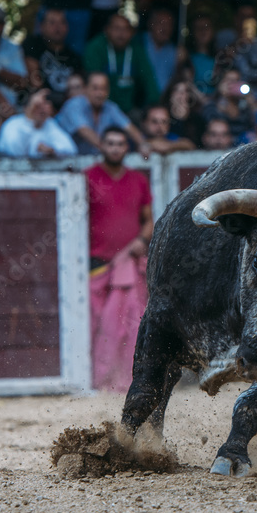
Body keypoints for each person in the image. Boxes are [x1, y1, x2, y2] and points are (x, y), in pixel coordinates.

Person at [86, 126, 154, 391]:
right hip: (96, 266)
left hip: (129, 264)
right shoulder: (88, 177)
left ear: (127, 148)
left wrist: (141, 240)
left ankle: (125, 383)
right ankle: (99, 381)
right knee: (101, 326)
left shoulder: (138, 180)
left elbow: (148, 220)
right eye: (110, 143)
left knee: (130, 327)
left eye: (120, 144)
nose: (115, 148)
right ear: (101, 146)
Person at [84, 13, 159, 114]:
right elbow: (92, 83)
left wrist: (153, 106)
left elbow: (149, 79)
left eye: (126, 29)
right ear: (107, 30)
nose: (121, 33)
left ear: (132, 33)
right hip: (101, 109)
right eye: (116, 28)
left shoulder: (136, 49)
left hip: (129, 110)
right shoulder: (95, 47)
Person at [57, 71, 148, 155]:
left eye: (103, 88)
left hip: (92, 160)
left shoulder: (110, 107)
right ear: (86, 89)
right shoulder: (74, 105)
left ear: (108, 91)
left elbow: (129, 128)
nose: (99, 93)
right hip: (65, 162)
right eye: (95, 88)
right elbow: (85, 131)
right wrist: (113, 151)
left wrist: (144, 145)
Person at [23, 8, 85, 106]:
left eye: (62, 23)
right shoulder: (33, 44)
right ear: (42, 26)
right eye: (52, 23)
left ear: (67, 27)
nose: (57, 27)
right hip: (38, 103)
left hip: (66, 108)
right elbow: (34, 81)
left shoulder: (74, 57)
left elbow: (78, 89)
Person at [0, 89, 78, 157]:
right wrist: (30, 119)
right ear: (26, 108)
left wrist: (53, 151)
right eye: (37, 106)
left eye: (45, 104)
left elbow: (71, 150)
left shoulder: (49, 124)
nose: (42, 109)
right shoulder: (12, 124)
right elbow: (14, 151)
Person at [141, 6, 178, 96]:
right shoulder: (140, 42)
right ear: (151, 24)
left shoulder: (174, 51)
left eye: (169, 24)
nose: (164, 28)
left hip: (163, 103)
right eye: (160, 23)